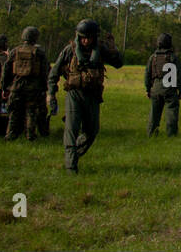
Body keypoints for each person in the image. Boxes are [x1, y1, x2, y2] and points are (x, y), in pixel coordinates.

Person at [47, 19, 124, 172]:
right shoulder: (70, 50)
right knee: (71, 129)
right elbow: (54, 72)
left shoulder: (101, 49)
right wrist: (51, 93)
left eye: (89, 38)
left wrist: (113, 49)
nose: (86, 41)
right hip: (74, 94)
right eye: (83, 38)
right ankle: (71, 167)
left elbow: (118, 63)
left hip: (93, 95)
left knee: (92, 131)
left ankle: (74, 154)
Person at [3, 27, 48, 141]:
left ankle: (10, 134)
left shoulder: (15, 51)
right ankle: (30, 135)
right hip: (33, 86)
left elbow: (6, 70)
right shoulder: (38, 52)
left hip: (16, 85)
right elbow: (44, 71)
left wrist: (5, 86)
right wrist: (44, 87)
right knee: (31, 111)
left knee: (14, 112)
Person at [145, 33, 181, 137]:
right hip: (170, 90)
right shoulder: (173, 57)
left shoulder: (153, 58)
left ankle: (151, 133)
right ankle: (171, 134)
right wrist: (180, 91)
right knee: (172, 112)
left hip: (156, 89)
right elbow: (179, 75)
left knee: (154, 114)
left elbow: (147, 75)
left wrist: (147, 89)